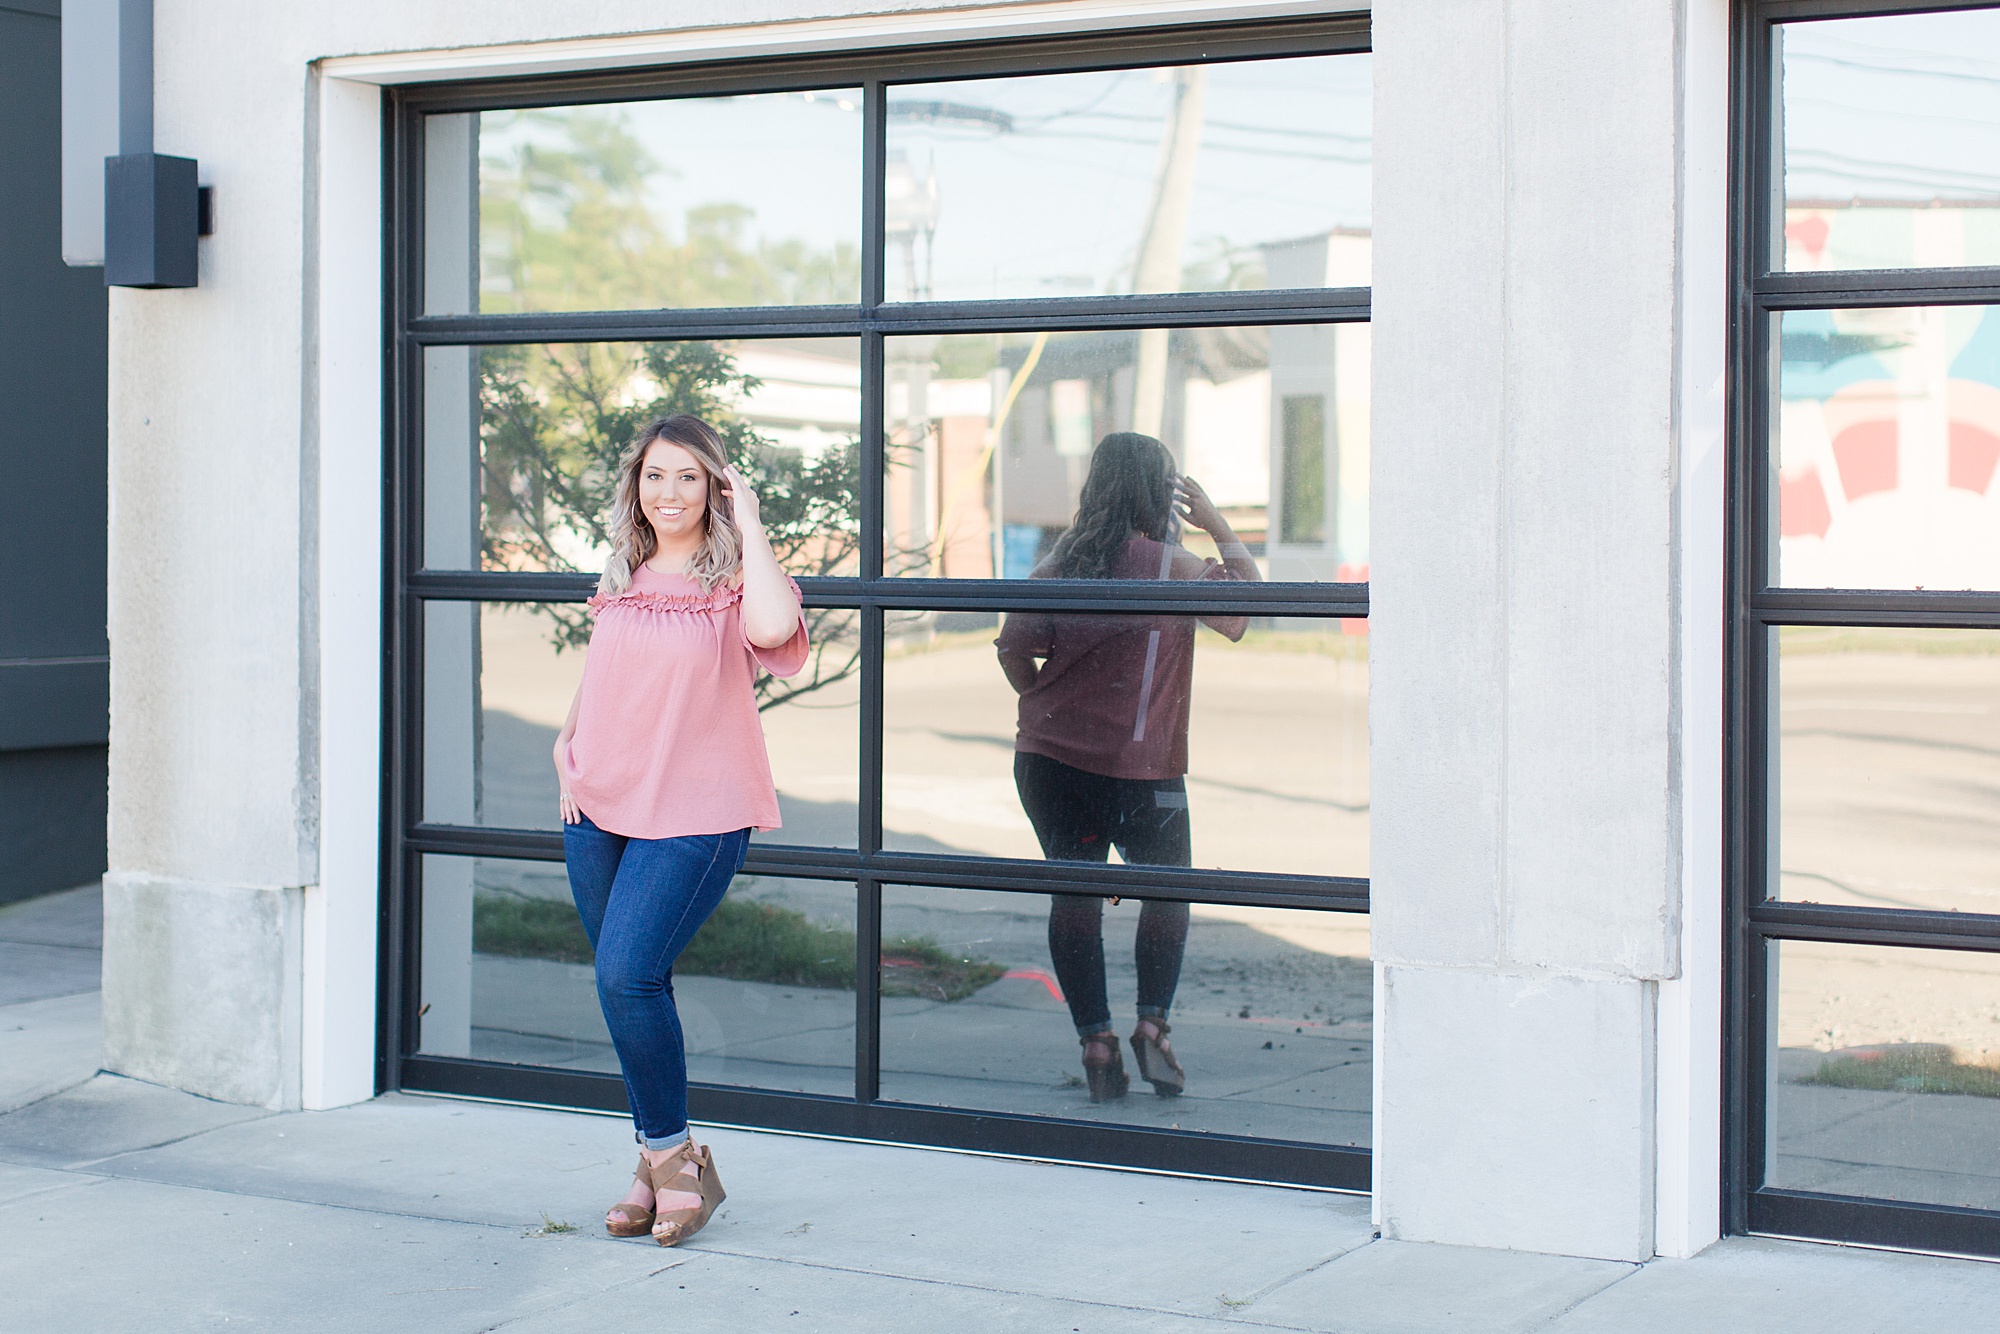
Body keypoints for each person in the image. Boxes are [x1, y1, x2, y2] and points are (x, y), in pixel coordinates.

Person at [552, 413, 808, 1245]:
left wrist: (756, 524)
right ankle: (664, 1164)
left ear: (716, 487)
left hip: (697, 812)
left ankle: (666, 1158)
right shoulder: (622, 570)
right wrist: (566, 743)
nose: (669, 493)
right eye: (655, 476)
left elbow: (773, 632)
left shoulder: (736, 577)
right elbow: (610, 674)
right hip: (599, 806)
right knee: (627, 991)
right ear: (638, 485)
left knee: (628, 976)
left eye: (689, 477)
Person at [995, 432, 1259, 1102]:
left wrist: (1044, 703)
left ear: (1095, 487)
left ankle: (1095, 1041)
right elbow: (1242, 613)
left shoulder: (1060, 567)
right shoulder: (1172, 566)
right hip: (1145, 769)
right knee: (1167, 891)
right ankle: (1153, 1027)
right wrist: (1217, 521)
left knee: (1076, 893)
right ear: (1158, 493)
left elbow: (1013, 651)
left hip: (1052, 763)